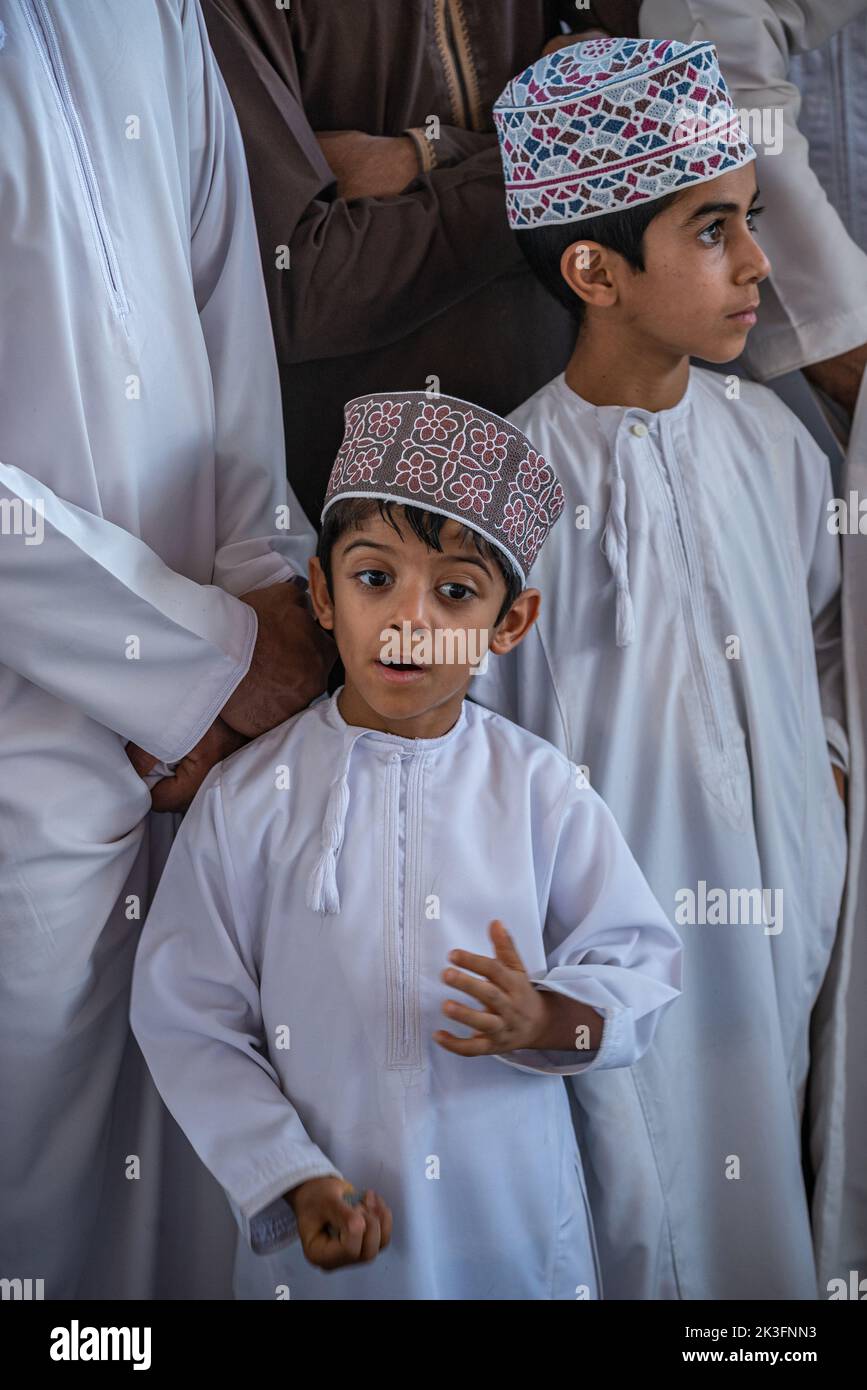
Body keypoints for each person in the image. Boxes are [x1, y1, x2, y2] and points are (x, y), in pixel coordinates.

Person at [129, 391, 682, 1300]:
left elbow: (639, 962)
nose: (407, 621)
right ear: (320, 593)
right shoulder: (245, 801)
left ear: (509, 624)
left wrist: (548, 1019)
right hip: (328, 1221)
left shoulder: (542, 790)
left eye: (455, 592)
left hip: (504, 1219)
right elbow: (190, 1020)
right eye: (374, 579)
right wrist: (289, 1175)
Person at [469, 36, 849, 1299]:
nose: (756, 262)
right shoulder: (505, 497)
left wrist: (825, 780)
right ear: (595, 269)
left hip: (796, 945)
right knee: (650, 1226)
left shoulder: (783, 453)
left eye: (750, 221)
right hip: (622, 980)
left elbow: (819, 645)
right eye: (710, 230)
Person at [0, 0, 333, 1300]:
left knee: (205, 1168)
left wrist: (257, 621)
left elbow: (225, 328)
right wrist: (192, 658)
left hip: (201, 747)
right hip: (31, 742)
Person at [199, 0, 645, 524]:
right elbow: (298, 286)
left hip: (568, 465)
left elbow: (653, 122)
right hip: (366, 494)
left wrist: (424, 155)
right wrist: (552, 163)